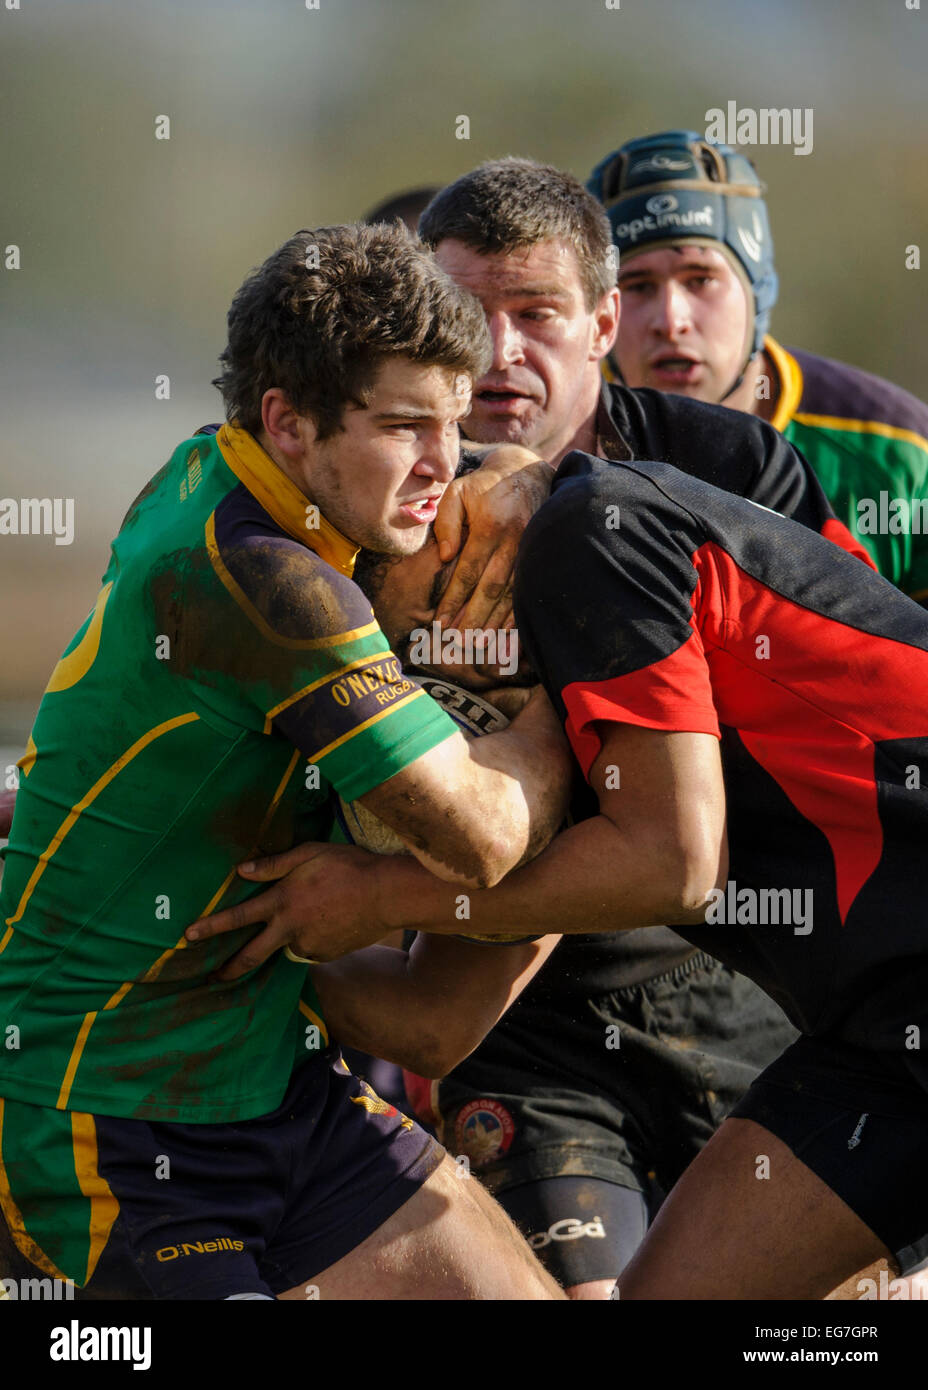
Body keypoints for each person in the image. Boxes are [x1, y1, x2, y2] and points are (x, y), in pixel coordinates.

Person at [192, 158, 874, 1301]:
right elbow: (438, 1010)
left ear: (599, 325)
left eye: (537, 317)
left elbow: (806, 750)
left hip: (756, 988)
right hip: (534, 1033)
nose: (502, 353)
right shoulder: (373, 502)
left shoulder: (722, 467)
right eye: (472, 316)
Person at [0, 221, 572, 1302]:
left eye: (455, 423)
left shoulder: (205, 470)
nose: (443, 466)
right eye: (407, 427)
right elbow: (484, 837)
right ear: (289, 422)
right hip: (104, 1115)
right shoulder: (269, 583)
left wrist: (529, 478)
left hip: (277, 1089)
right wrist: (567, 708)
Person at [588, 129, 928, 600]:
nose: (671, 320)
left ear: (757, 294)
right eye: (638, 286)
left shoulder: (900, 451)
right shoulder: (559, 435)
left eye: (701, 278)